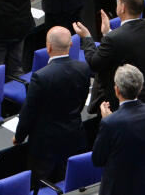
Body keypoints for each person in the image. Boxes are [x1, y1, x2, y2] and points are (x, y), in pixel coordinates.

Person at [13, 25, 91, 185]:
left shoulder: (41, 77)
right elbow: (81, 101)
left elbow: (29, 112)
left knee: (41, 187)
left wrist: (19, 137)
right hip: (74, 137)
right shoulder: (83, 68)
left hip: (45, 147)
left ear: (48, 47)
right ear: (70, 45)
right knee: (68, 184)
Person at [76, 0, 145, 113]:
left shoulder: (114, 38)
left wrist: (86, 38)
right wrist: (107, 33)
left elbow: (94, 63)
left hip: (125, 104)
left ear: (122, 7)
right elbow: (129, 43)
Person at [91, 63, 145, 195]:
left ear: (116, 90)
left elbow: (98, 159)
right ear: (140, 88)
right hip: (144, 186)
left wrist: (107, 120)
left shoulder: (110, 123)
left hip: (116, 189)